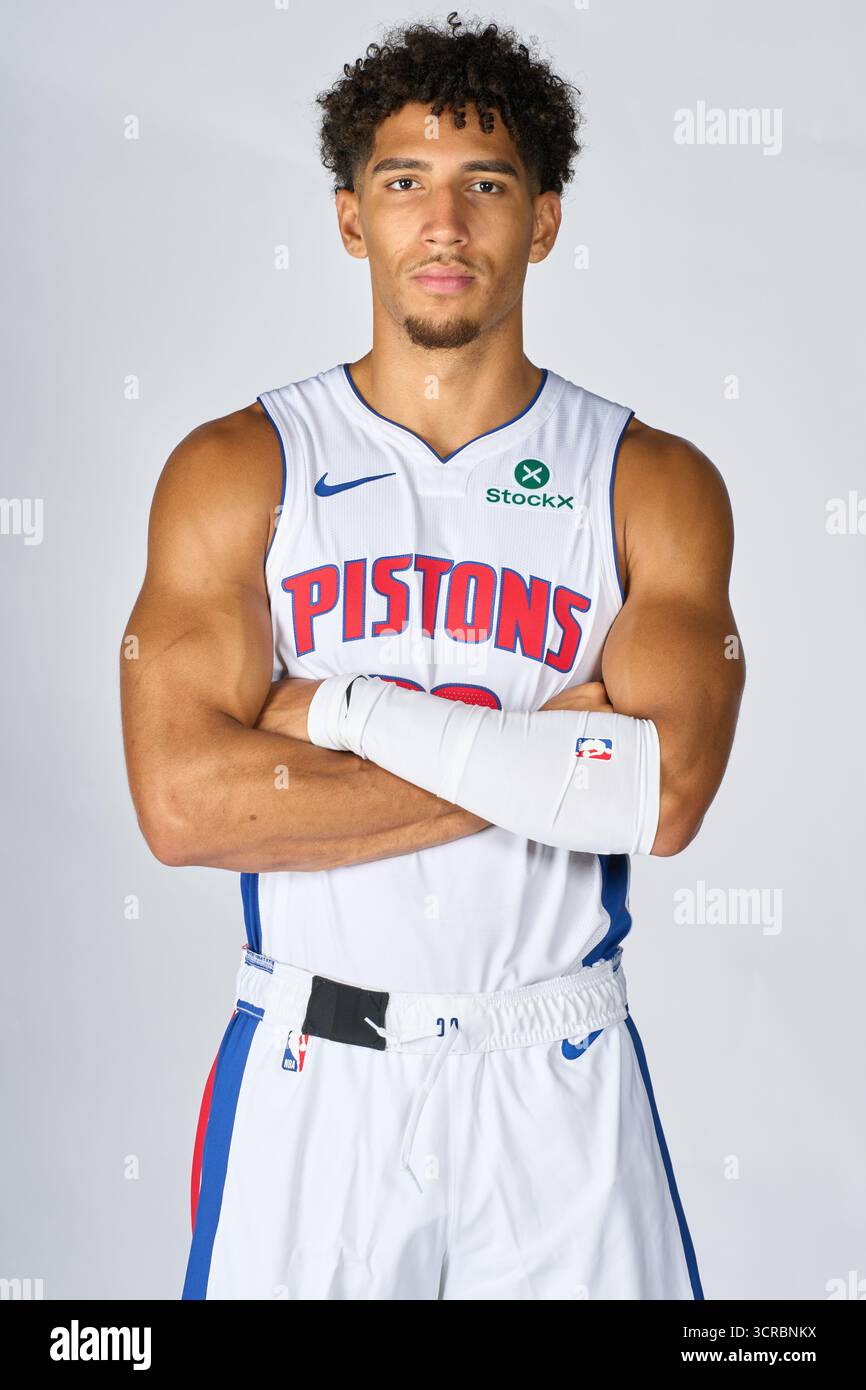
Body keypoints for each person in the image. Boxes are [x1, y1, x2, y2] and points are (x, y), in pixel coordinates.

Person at [120, 13, 745, 1300]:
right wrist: (546, 757)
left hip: (555, 1071)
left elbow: (660, 794)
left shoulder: (649, 482)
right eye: (403, 183)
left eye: (486, 186)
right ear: (352, 218)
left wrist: (334, 710)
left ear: (546, 219)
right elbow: (184, 807)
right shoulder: (239, 468)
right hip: (315, 1066)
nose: (443, 225)